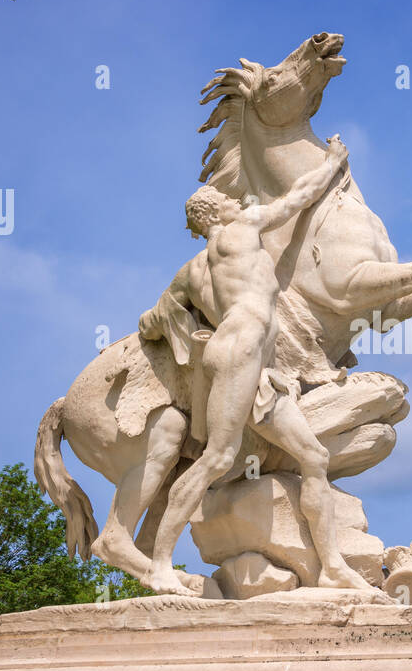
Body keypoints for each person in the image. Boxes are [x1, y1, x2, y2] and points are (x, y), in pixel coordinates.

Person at [140, 135, 373, 593]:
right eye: (224, 201)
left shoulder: (188, 273)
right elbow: (298, 198)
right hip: (241, 350)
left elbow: (150, 322)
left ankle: (332, 567)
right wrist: (332, 162)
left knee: (313, 456)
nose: (234, 203)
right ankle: (160, 564)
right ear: (214, 211)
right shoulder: (241, 227)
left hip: (256, 365)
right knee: (217, 458)